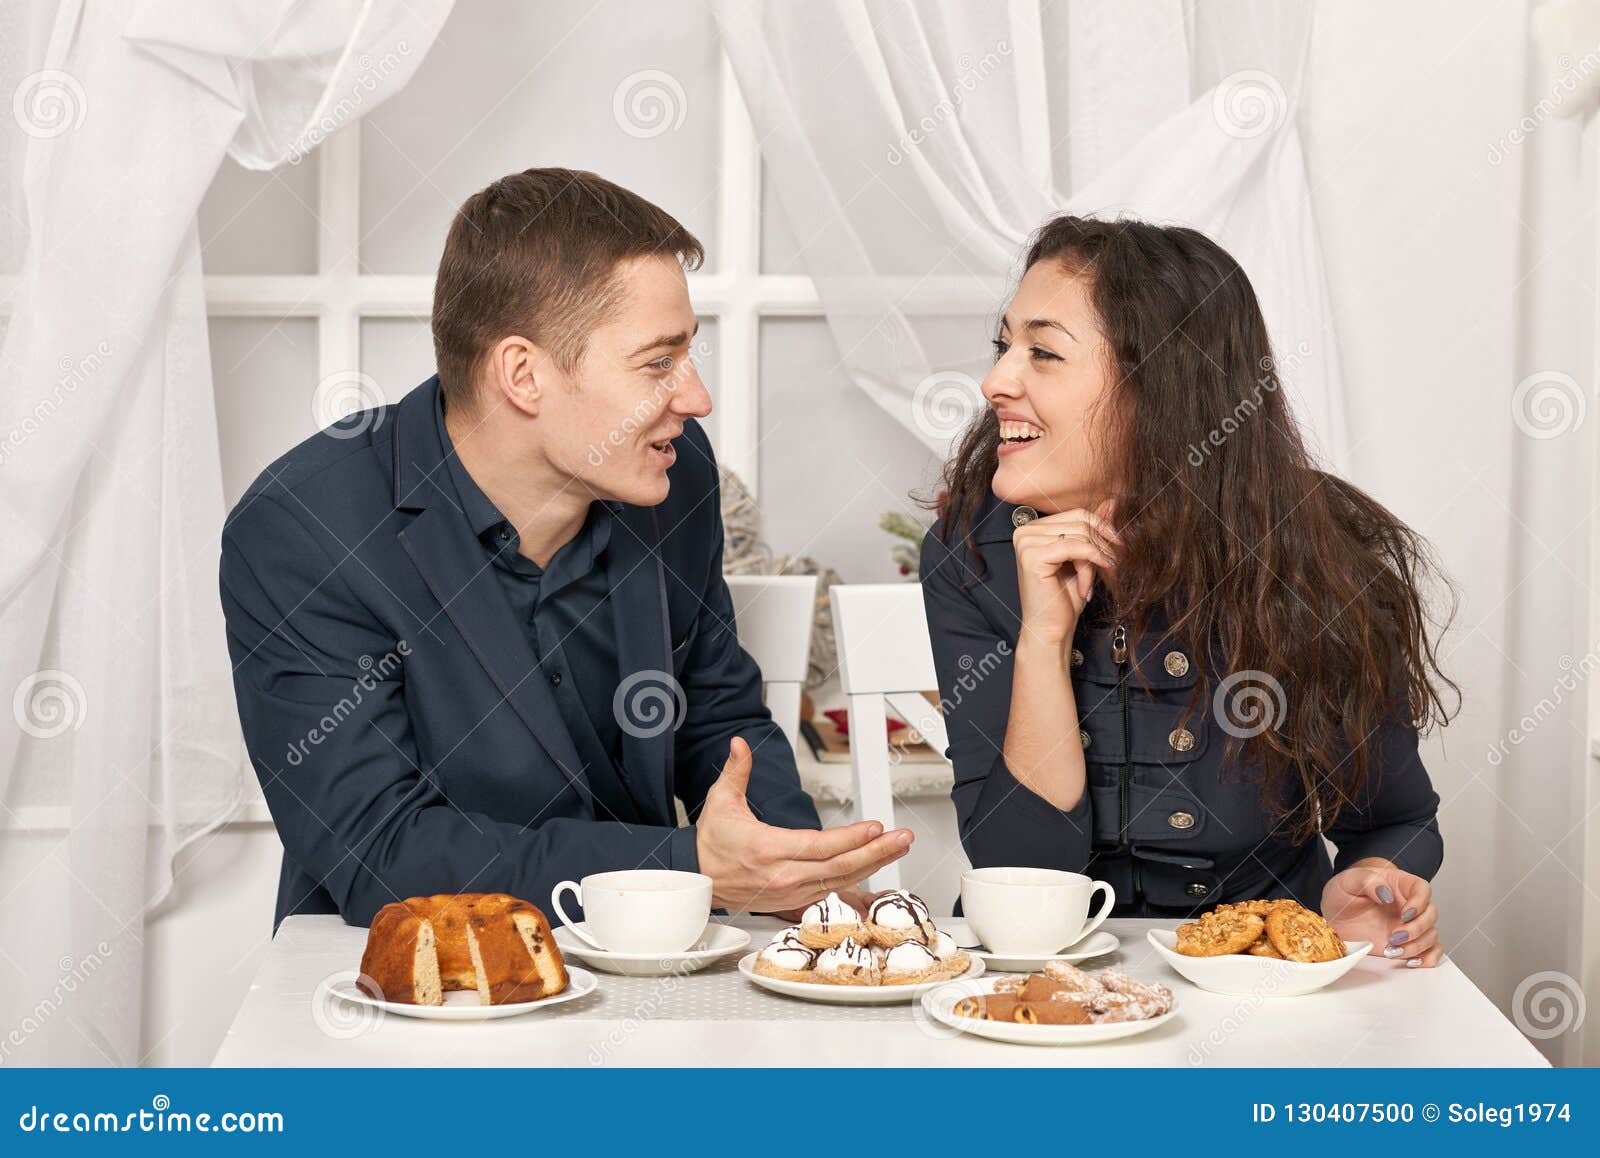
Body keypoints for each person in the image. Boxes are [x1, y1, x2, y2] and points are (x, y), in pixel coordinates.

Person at [220, 168, 911, 931]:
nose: (694, 398)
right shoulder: (303, 526)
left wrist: (799, 873)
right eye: (658, 362)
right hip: (410, 987)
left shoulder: (674, 475)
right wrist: (688, 871)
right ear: (523, 374)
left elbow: (715, 712)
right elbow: (382, 849)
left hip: (650, 968)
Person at [920, 215, 1453, 967]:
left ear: (1162, 387)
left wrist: (1367, 882)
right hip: (1042, 983)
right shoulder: (972, 553)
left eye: (1042, 352)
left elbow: (1396, 818)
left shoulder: (1321, 552)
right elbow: (1022, 875)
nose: (996, 381)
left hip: (1257, 989)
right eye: (1004, 346)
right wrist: (1045, 640)